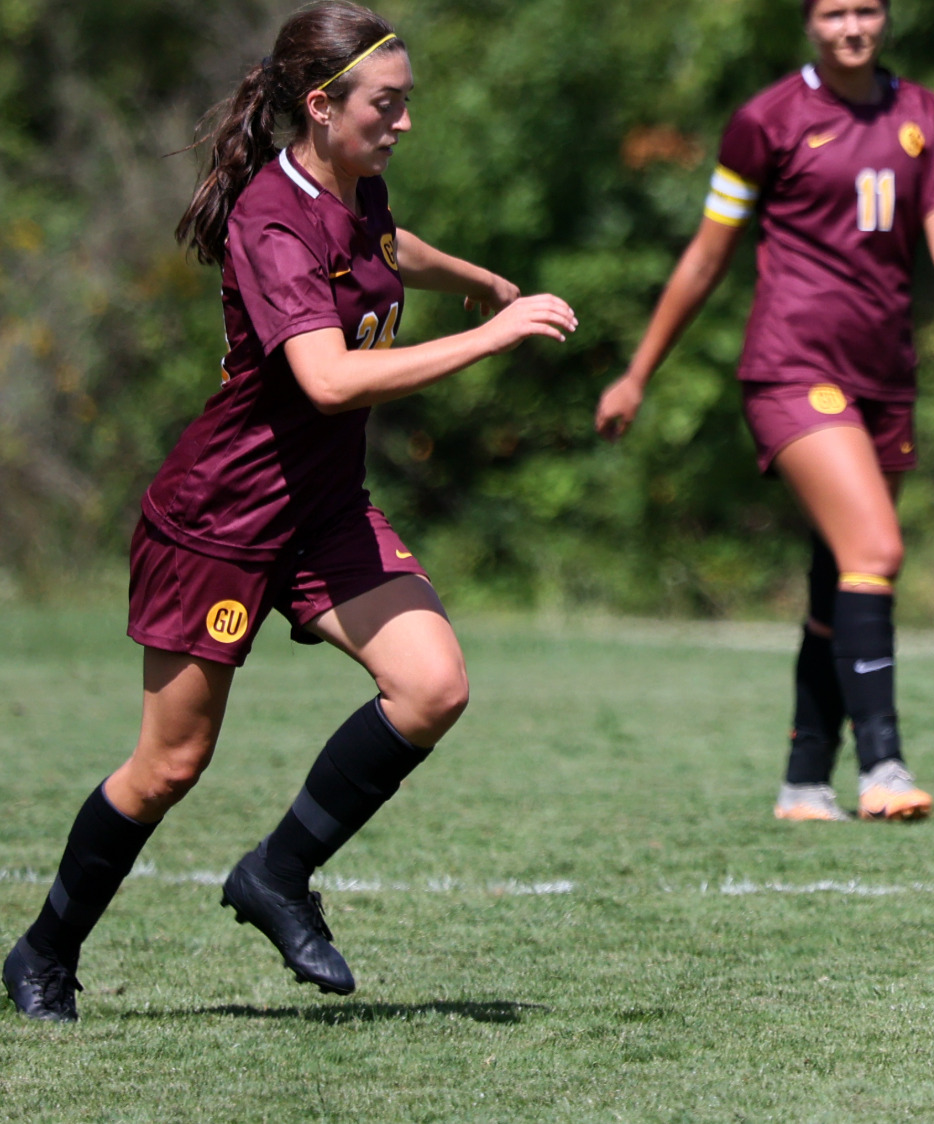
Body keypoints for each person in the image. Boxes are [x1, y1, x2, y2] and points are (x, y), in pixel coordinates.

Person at [3, 1, 577, 1023]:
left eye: (406, 105)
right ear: (321, 104)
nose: (401, 124)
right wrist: (492, 340)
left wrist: (477, 279)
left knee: (433, 683)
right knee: (170, 763)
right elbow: (325, 380)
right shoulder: (268, 221)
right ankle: (43, 951)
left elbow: (387, 245)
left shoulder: (355, 186)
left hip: (320, 511)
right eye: (385, 106)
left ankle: (276, 871)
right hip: (220, 520)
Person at [596, 0, 934, 823]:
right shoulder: (767, 120)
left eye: (867, 10)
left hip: (885, 376)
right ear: (809, 23)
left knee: (840, 576)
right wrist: (638, 372)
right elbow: (708, 255)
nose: (853, 26)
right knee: (876, 547)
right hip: (793, 368)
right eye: (833, 12)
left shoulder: (922, 110)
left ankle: (804, 779)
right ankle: (882, 764)